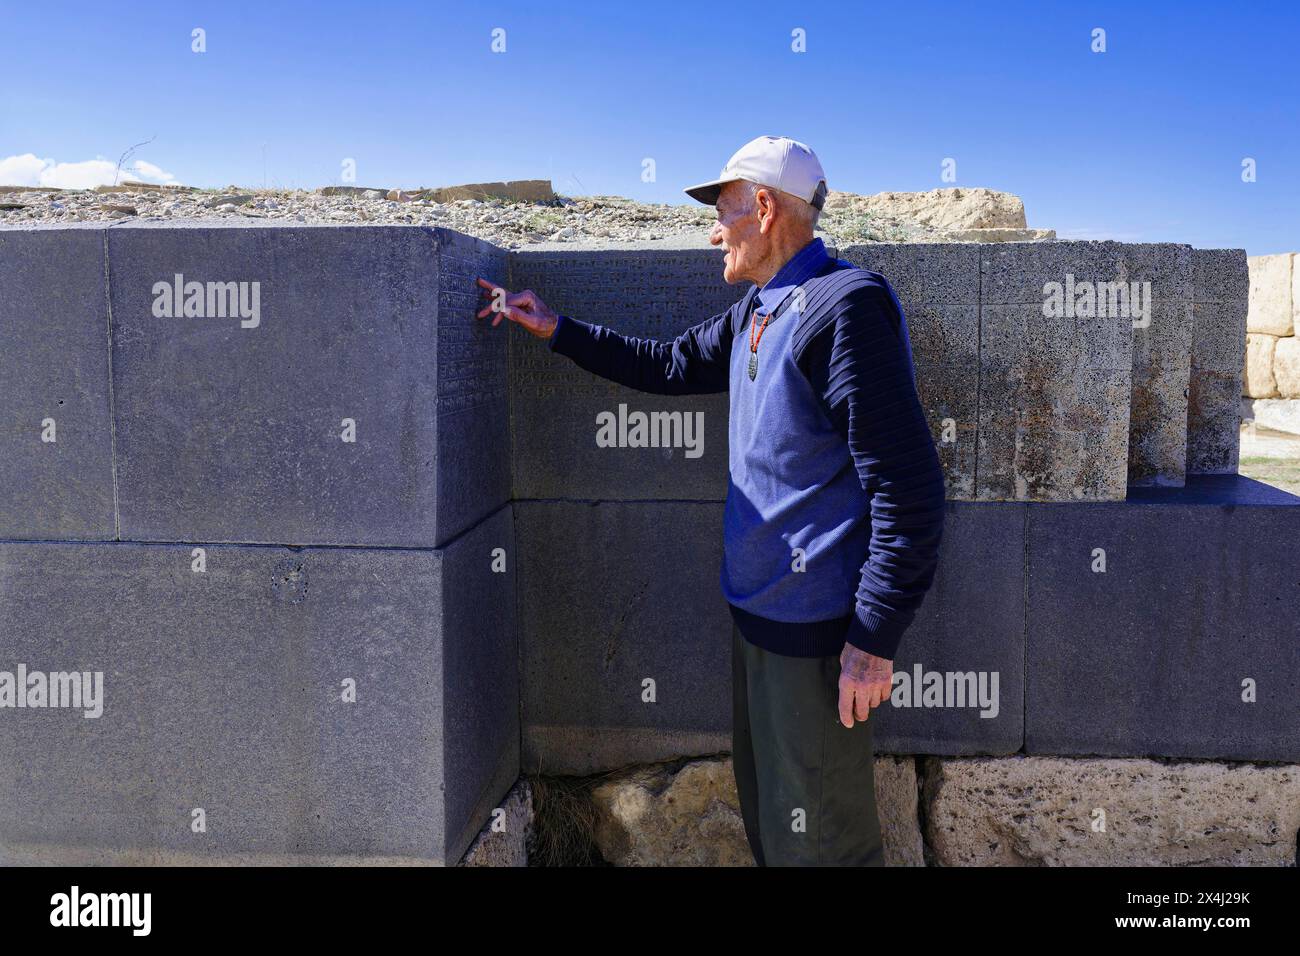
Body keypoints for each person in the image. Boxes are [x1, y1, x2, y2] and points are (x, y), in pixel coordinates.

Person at [477, 135, 945, 866]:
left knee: (821, 845)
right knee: (775, 825)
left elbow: (909, 486)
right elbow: (667, 364)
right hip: (758, 618)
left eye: (723, 212)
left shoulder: (841, 308)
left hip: (817, 636)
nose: (712, 230)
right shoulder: (762, 309)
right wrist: (556, 329)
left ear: (764, 207)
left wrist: (874, 641)